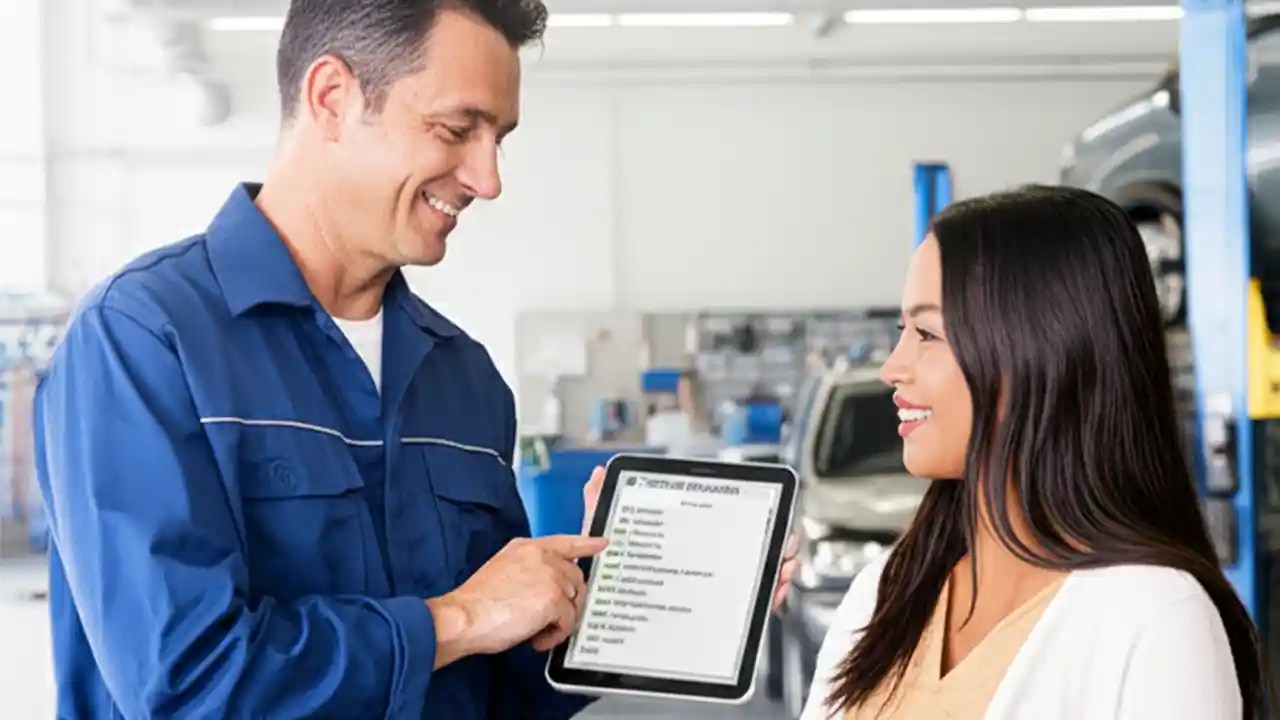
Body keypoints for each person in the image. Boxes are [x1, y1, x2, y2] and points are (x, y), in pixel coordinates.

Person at [32, 2, 795, 718]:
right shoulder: (143, 339)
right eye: (457, 128)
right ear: (333, 98)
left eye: (499, 139)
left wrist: (638, 604)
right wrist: (456, 619)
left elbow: (493, 688)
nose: (488, 180)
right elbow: (188, 683)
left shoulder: (463, 377)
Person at [800, 185, 1265, 720]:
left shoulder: (1157, 617)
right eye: (903, 330)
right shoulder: (886, 591)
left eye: (926, 334)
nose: (892, 368)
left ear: (1039, 355)